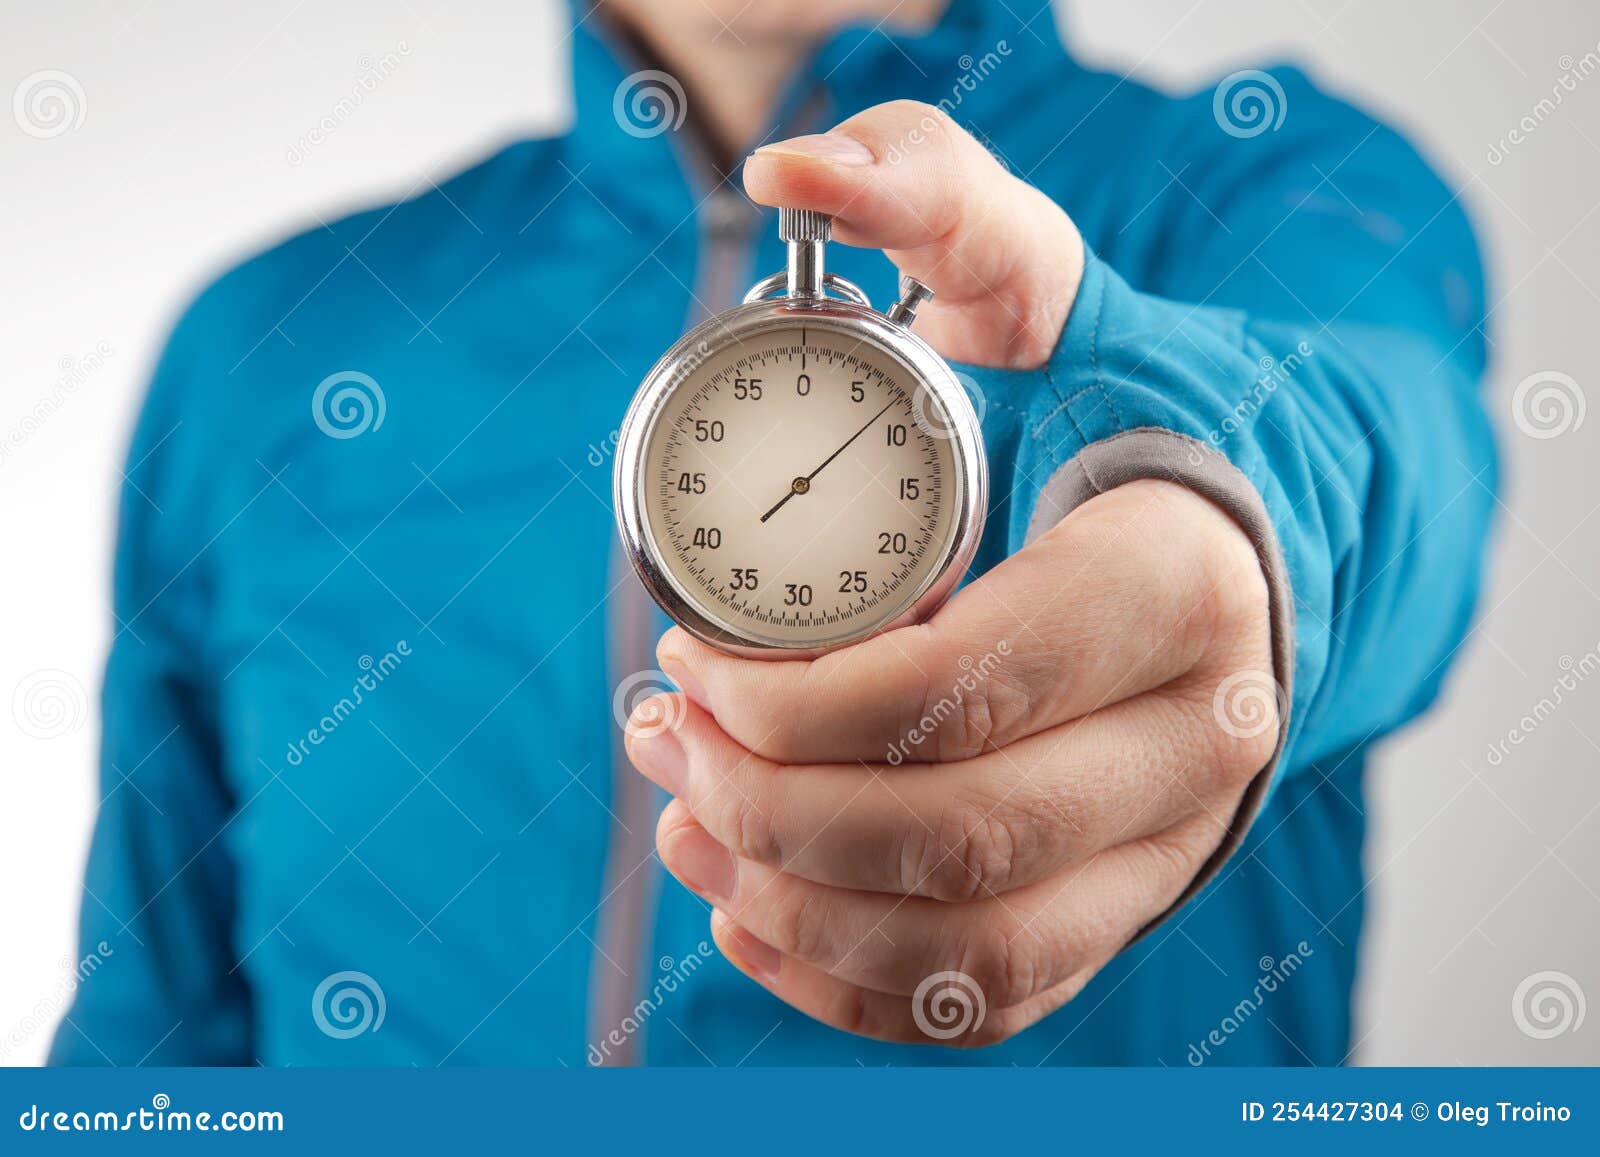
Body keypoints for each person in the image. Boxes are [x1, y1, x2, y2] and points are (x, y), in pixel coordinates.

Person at [52, 0, 1495, 1066]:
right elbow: (149, 1028)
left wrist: (1225, 533)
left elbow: (1383, 448)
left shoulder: (1276, 190)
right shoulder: (274, 349)